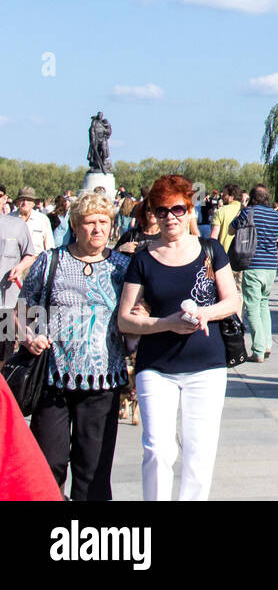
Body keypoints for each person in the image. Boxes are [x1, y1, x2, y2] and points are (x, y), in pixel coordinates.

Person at [116, 175, 241, 501]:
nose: (169, 217)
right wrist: (166, 323)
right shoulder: (142, 258)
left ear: (189, 210)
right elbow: (125, 318)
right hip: (156, 365)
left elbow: (233, 301)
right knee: (157, 449)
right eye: (161, 210)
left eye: (177, 209)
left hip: (206, 364)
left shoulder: (210, 250)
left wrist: (204, 314)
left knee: (200, 451)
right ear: (152, 215)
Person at [19, 192, 132, 500]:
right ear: (75, 225)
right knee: (48, 463)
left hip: (103, 383)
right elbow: (15, 313)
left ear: (112, 226)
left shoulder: (123, 267)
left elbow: (138, 313)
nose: (97, 229)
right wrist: (27, 336)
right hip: (52, 381)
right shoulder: (50, 260)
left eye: (104, 222)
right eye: (89, 222)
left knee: (93, 470)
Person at [240, 185, 278, 363]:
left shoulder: (247, 213)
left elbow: (232, 230)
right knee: (263, 305)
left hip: (252, 264)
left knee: (252, 308)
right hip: (270, 267)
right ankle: (267, 344)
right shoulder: (276, 216)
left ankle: (258, 349)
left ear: (252, 197)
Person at [1, 185, 40, 364]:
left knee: (4, 355)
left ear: (4, 199)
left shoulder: (16, 225)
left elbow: (29, 255)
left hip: (6, 304)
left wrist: (19, 267)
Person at [14, 188, 55, 253]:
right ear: (17, 202)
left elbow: (49, 247)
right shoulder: (9, 219)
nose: (25, 203)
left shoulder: (42, 219)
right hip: (15, 261)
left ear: (34, 203)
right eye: (22, 200)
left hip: (37, 260)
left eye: (28, 200)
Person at [209, 185, 242, 252]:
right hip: (243, 254)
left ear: (231, 197)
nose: (222, 196)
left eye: (225, 194)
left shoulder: (221, 211)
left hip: (224, 253)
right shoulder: (246, 210)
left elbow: (213, 237)